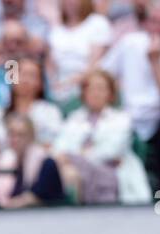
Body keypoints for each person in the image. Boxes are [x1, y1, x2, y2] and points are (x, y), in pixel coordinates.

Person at [99, 0, 160, 199]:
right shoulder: (129, 44)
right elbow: (102, 74)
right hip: (132, 124)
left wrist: (156, 64)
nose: (159, 29)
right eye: (155, 22)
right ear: (145, 23)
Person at [51, 67, 151, 203]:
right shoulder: (74, 118)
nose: (95, 93)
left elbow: (111, 151)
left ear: (110, 94)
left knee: (73, 171)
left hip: (113, 174)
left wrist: (74, 156)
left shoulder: (121, 119)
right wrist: (77, 156)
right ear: (83, 93)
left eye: (101, 89)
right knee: (68, 173)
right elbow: (60, 148)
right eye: (90, 89)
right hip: (79, 174)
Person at [0, 109, 65, 205]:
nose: (15, 139)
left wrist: (13, 204)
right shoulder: (6, 161)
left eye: (20, 135)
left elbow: (38, 196)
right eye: (11, 134)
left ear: (31, 136)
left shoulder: (46, 163)